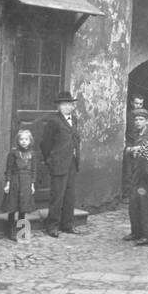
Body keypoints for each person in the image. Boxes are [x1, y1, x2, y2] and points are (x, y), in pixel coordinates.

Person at [39, 90, 83, 238]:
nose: (67, 107)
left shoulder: (74, 119)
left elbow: (74, 137)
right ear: (58, 106)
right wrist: (49, 160)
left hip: (72, 162)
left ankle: (67, 224)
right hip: (58, 162)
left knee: (70, 195)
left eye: (69, 104)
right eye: (63, 104)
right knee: (57, 195)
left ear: (72, 106)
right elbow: (45, 143)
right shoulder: (53, 121)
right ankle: (52, 226)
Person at [123, 108, 148, 244]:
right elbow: (126, 150)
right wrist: (131, 149)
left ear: (146, 121)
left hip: (147, 176)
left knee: (144, 204)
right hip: (136, 174)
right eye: (136, 119)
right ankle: (136, 232)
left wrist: (140, 149)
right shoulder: (134, 135)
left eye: (141, 119)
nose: (138, 122)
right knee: (133, 204)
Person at [1, 128, 38, 241]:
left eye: (26, 139)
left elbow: (34, 170)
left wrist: (32, 184)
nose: (23, 141)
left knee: (23, 208)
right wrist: (8, 183)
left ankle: (21, 231)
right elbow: (9, 169)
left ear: (30, 141)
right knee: (12, 207)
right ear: (18, 141)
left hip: (26, 183)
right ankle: (10, 231)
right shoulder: (13, 153)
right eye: (21, 139)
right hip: (15, 181)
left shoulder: (32, 154)